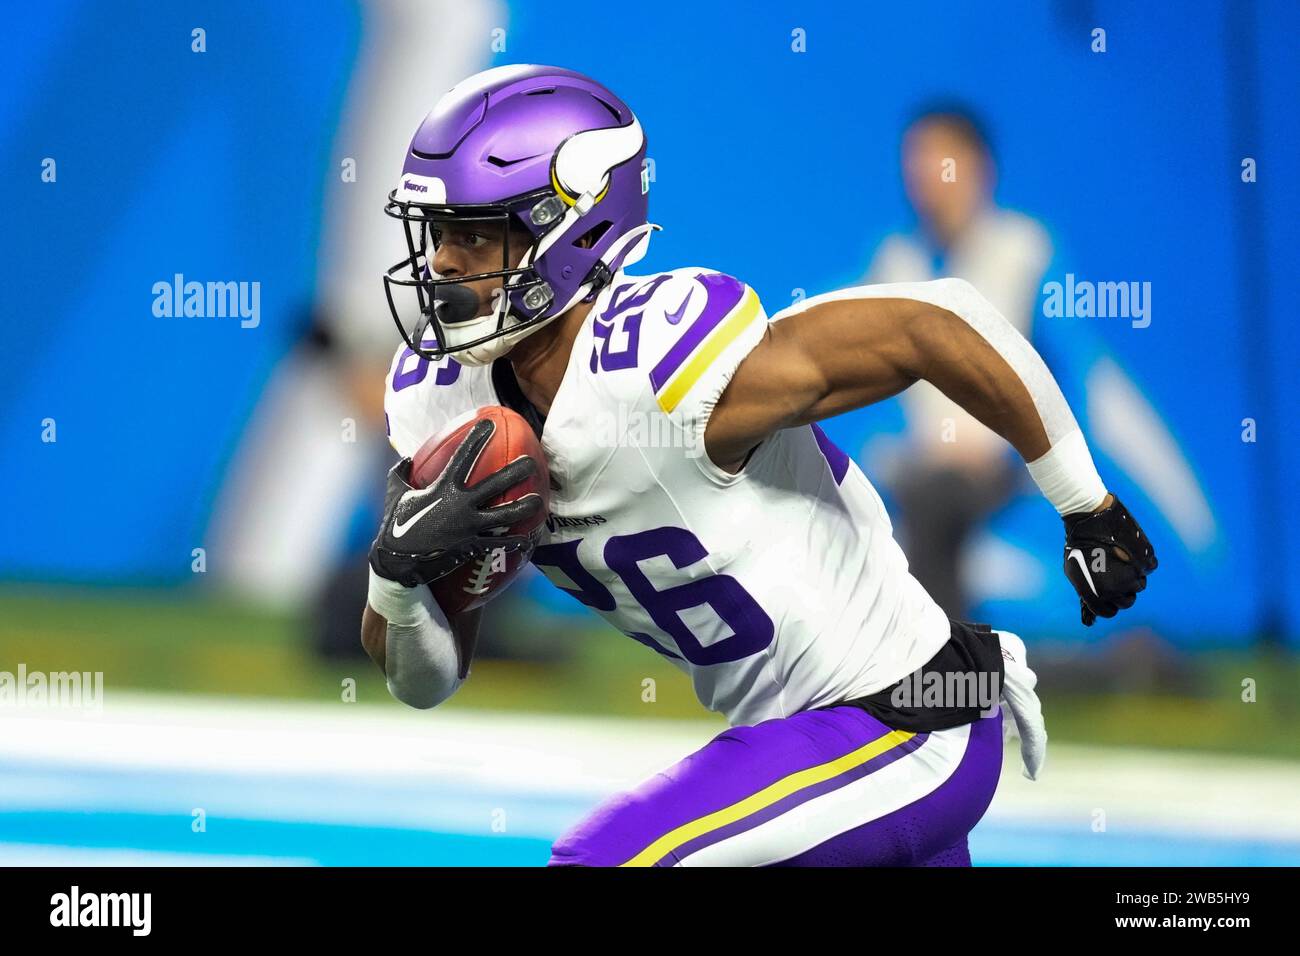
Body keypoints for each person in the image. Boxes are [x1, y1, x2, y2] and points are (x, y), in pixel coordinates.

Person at [358, 66, 1157, 867]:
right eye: (435, 233)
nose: (442, 264)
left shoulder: (655, 364)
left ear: (572, 229)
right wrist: (395, 574)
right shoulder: (446, 400)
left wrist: (1084, 503)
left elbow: (932, 322)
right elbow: (422, 683)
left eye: (473, 232)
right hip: (815, 743)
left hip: (902, 717)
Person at [866, 105, 1054, 618]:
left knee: (937, 498)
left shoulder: (1027, 252)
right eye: (916, 158)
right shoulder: (895, 261)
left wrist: (1011, 451)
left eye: (940, 156)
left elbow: (1071, 388)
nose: (925, 173)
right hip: (919, 468)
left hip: (1009, 470)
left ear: (980, 167)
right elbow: (866, 386)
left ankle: (943, 669)